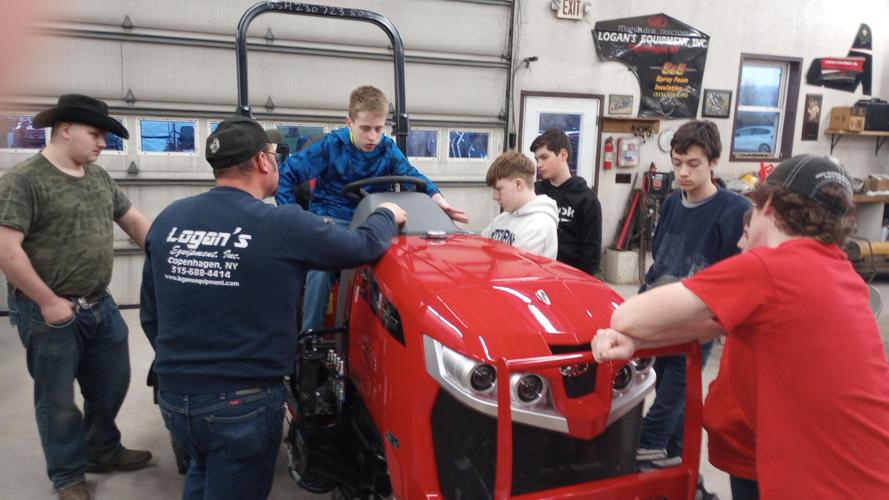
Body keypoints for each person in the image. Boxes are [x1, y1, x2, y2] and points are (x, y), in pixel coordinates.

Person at [139, 115, 406, 500]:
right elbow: (362, 247)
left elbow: (151, 313)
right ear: (264, 162)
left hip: (176, 398)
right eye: (274, 156)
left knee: (201, 473)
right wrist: (386, 214)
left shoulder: (168, 221)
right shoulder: (282, 225)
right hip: (241, 404)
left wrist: (181, 364)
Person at [592, 155, 889, 497]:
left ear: (768, 205)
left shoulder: (773, 268)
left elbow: (627, 316)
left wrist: (632, 332)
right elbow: (712, 324)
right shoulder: (837, 273)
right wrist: (637, 343)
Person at [0, 94, 152, 500]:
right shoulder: (24, 180)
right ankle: (68, 476)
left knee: (112, 382)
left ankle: (102, 450)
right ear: (65, 129)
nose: (103, 144)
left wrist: (172, 253)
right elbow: (7, 249)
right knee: (57, 400)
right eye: (96, 134)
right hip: (46, 310)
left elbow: (134, 221)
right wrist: (48, 301)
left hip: (98, 304)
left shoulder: (98, 177)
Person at [275, 85, 467, 332]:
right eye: (365, 128)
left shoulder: (387, 149)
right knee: (320, 266)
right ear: (350, 122)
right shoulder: (331, 146)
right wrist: (298, 220)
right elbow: (286, 175)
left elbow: (410, 175)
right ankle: (311, 335)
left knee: (403, 262)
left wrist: (438, 200)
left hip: (373, 221)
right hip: (334, 219)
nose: (373, 137)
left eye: (378, 129)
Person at [633, 120, 750, 471]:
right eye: (677, 163)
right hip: (662, 309)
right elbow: (660, 260)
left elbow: (735, 276)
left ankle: (649, 443)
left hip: (698, 318)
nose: (683, 172)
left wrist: (716, 320)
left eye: (693, 164)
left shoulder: (732, 211)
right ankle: (676, 460)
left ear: (714, 162)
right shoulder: (670, 204)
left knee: (675, 389)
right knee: (662, 381)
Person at [531, 128, 602, 275]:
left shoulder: (586, 199)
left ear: (563, 155)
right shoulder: (534, 192)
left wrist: (579, 283)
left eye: (544, 157)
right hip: (535, 274)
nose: (539, 165)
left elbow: (591, 253)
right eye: (537, 159)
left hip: (569, 279)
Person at [481, 150, 557, 258]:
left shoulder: (538, 227)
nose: (495, 196)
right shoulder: (503, 218)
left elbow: (512, 269)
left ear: (518, 184)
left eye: (499, 189)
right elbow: (480, 245)